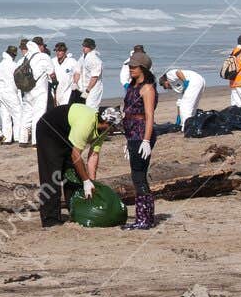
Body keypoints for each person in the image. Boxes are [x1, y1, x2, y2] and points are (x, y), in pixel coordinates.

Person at [34, 99, 122, 228]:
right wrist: (86, 181)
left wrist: (91, 182)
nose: (113, 131)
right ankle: (50, 219)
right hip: (49, 130)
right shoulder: (87, 123)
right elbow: (76, 155)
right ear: (106, 122)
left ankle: (75, 211)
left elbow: (93, 155)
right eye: (113, 127)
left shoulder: (102, 130)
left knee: (73, 174)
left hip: (68, 134)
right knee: (53, 174)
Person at [121, 50, 159, 230]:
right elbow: (127, 110)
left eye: (133, 66)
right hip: (131, 134)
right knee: (136, 175)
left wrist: (146, 140)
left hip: (142, 133)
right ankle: (143, 217)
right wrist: (126, 139)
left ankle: (145, 218)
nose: (130, 69)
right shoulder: (131, 86)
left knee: (139, 176)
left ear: (142, 68)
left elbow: (149, 116)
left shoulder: (147, 88)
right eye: (129, 66)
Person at [21, 37, 55, 144]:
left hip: (27, 90)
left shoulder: (26, 57)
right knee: (38, 115)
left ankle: (23, 140)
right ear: (39, 46)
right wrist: (55, 81)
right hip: (40, 91)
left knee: (27, 115)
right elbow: (51, 73)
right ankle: (36, 141)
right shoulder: (43, 56)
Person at [0, 45, 20, 143]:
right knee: (18, 114)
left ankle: (7, 138)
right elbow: (17, 80)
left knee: (4, 116)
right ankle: (18, 137)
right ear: (13, 55)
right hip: (10, 92)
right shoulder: (14, 65)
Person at [77, 38, 103, 107]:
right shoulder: (82, 57)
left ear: (91, 47)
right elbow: (78, 70)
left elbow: (94, 77)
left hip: (93, 88)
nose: (84, 48)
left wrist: (88, 90)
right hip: (83, 87)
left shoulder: (95, 60)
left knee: (91, 107)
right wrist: (75, 83)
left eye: (86, 47)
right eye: (83, 46)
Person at [52, 42, 79, 106]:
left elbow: (77, 72)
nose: (58, 53)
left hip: (67, 90)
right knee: (55, 109)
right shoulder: (52, 61)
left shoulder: (72, 61)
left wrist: (75, 83)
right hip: (55, 90)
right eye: (56, 51)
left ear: (65, 51)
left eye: (60, 51)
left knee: (65, 107)